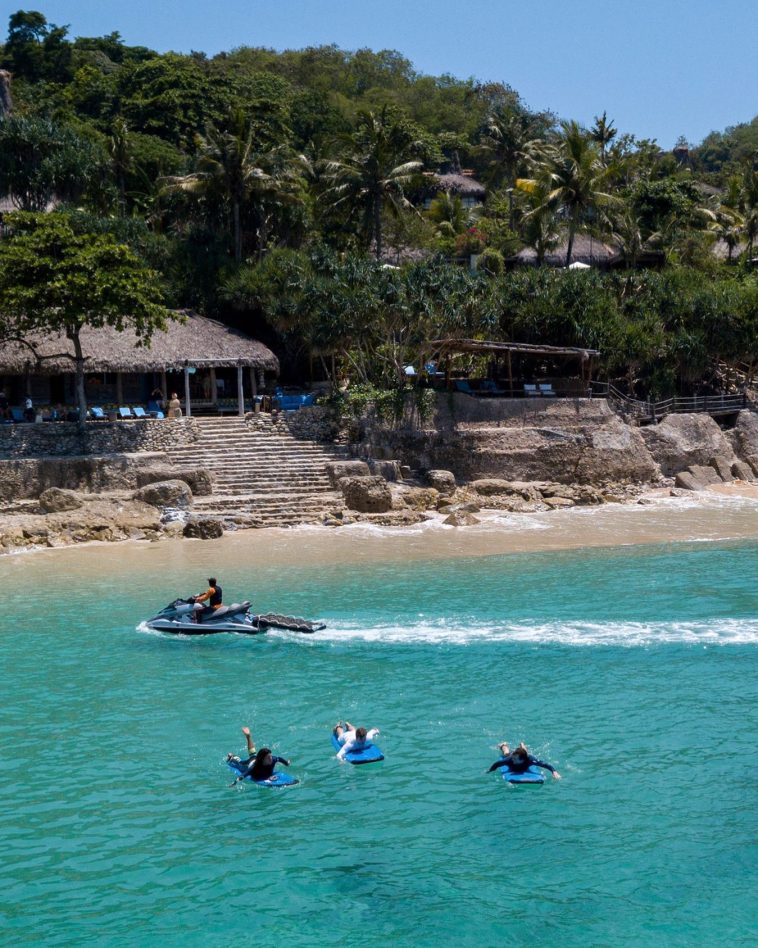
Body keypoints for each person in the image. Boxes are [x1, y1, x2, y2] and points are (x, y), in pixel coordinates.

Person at [488, 741, 561, 780]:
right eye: (513, 758)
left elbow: (544, 764)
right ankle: (503, 744)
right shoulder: (510, 759)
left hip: (524, 755)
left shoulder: (530, 760)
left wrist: (554, 771)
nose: (513, 760)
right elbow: (496, 764)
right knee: (506, 753)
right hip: (512, 755)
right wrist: (490, 771)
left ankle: (522, 745)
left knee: (526, 752)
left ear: (522, 759)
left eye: (515, 759)